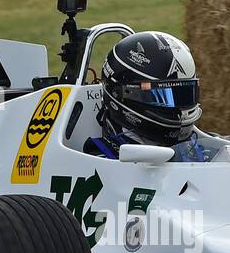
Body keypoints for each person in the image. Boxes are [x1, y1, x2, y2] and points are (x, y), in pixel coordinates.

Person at [84, 31, 211, 163]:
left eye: (184, 95)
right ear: (120, 94)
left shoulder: (201, 150)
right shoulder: (100, 160)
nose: (181, 112)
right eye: (163, 97)